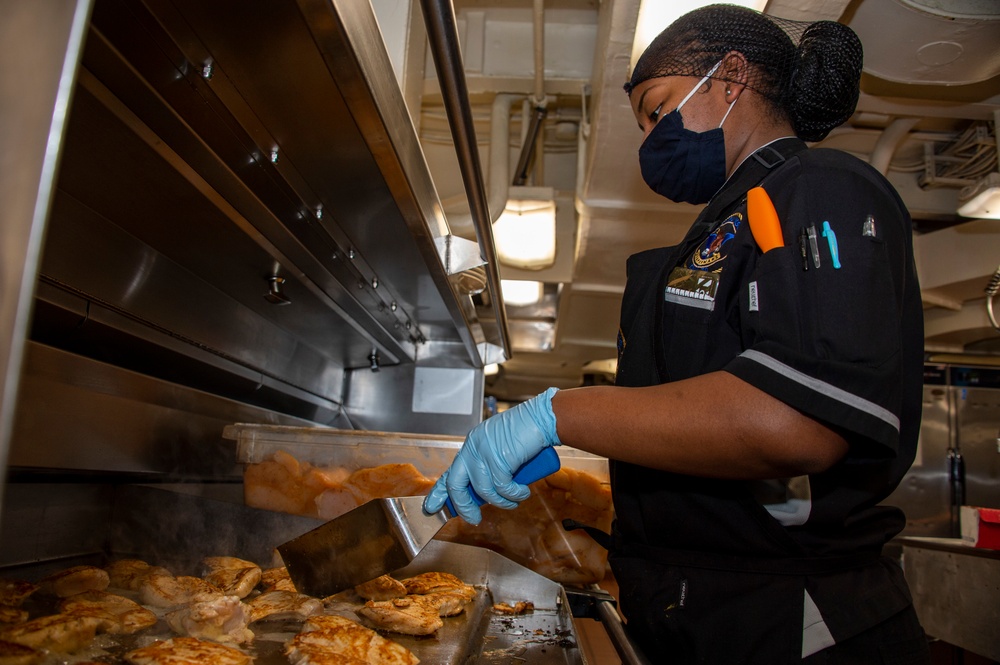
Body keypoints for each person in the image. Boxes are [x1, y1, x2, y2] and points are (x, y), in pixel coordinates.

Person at [423, 4, 928, 664]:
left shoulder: (822, 188)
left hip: (795, 622)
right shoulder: (725, 227)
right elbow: (696, 418)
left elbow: (797, 420)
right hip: (702, 614)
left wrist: (557, 415)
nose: (650, 140)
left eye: (658, 110)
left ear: (730, 77)